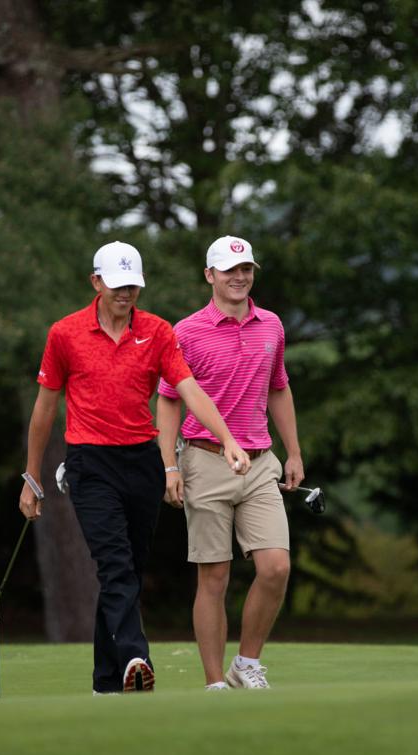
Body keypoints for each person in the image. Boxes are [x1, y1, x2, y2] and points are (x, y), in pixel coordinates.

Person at [20, 240, 252, 695]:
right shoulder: (65, 334)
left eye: (133, 286)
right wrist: (32, 478)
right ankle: (136, 657)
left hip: (143, 460)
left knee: (126, 571)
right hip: (90, 463)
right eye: (117, 285)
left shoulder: (158, 332)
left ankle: (106, 681)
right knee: (115, 565)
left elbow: (189, 390)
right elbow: (45, 410)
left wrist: (226, 439)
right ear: (96, 282)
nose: (126, 294)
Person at [157, 235, 303, 691]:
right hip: (204, 460)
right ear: (210, 276)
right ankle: (215, 681)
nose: (239, 278)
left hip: (261, 462)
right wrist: (169, 466)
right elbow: (167, 402)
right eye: (229, 271)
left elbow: (278, 387)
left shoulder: (272, 326)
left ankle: (247, 662)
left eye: (246, 270)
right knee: (214, 576)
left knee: (276, 567)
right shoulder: (186, 332)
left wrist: (293, 450)